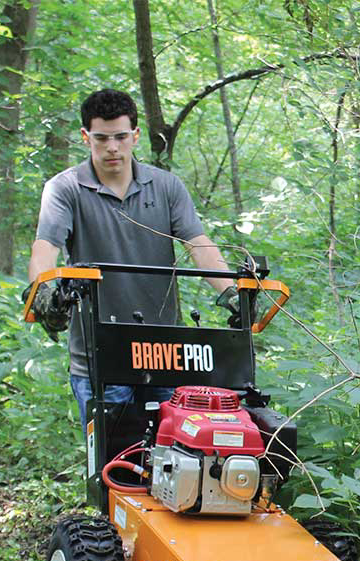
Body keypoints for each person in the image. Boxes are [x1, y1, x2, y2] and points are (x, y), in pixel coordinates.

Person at [25, 88, 241, 424]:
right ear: (85, 137)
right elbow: (45, 247)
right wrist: (43, 289)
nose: (112, 147)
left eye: (121, 137)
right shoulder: (64, 188)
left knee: (178, 456)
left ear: (135, 136)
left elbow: (197, 243)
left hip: (165, 351)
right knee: (112, 462)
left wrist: (230, 291)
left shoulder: (166, 186)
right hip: (100, 352)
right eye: (101, 138)